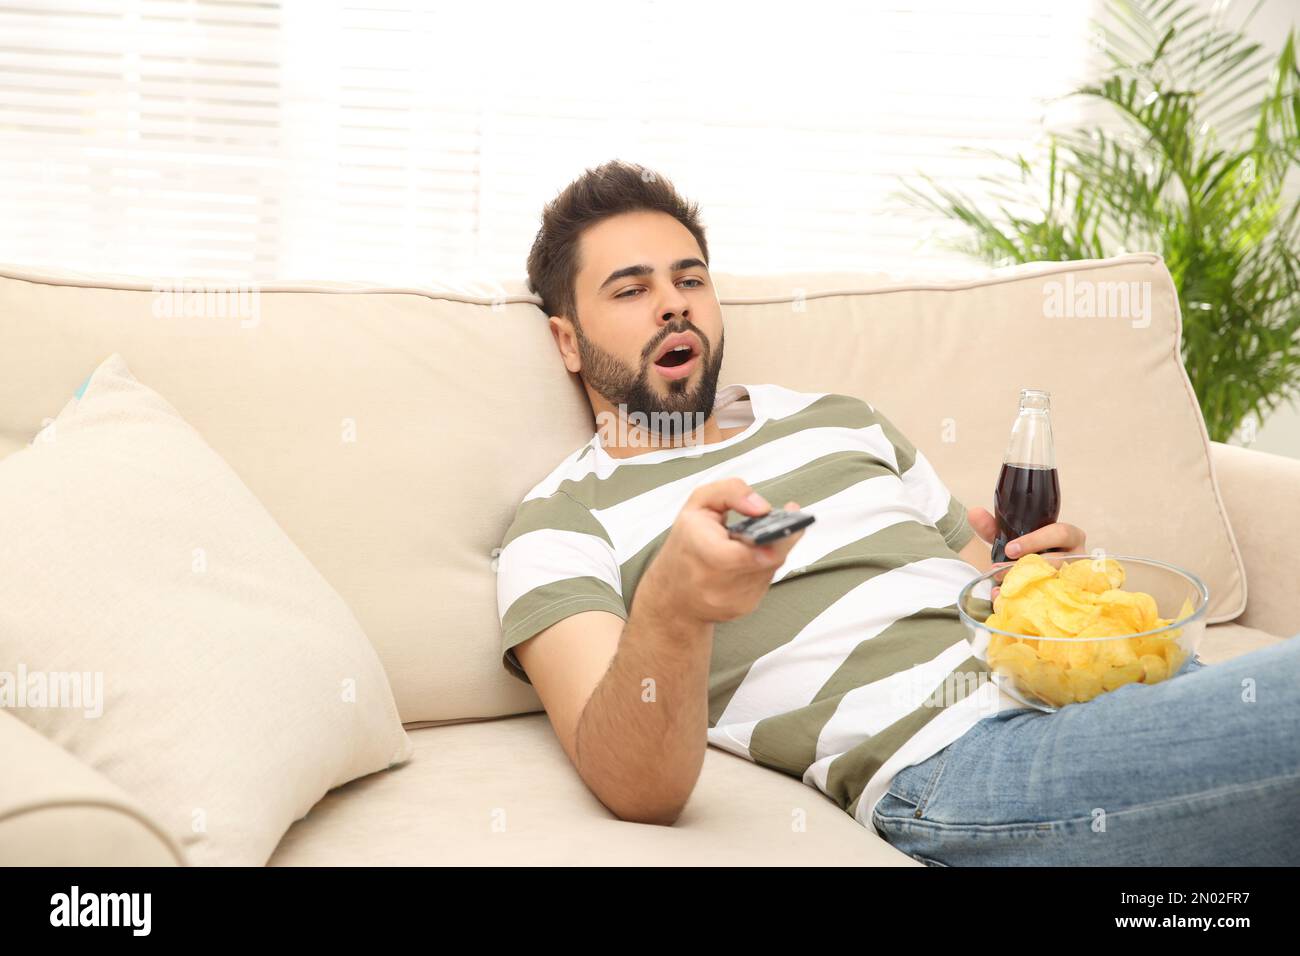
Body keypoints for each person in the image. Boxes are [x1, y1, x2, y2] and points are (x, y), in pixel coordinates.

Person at [494, 159, 1300, 864]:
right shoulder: (561, 523)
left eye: (690, 278)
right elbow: (635, 785)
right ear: (568, 341)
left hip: (1089, 686)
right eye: (632, 290)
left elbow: (983, 591)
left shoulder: (839, 417)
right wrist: (673, 605)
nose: (673, 305)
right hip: (962, 763)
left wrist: (1038, 582)